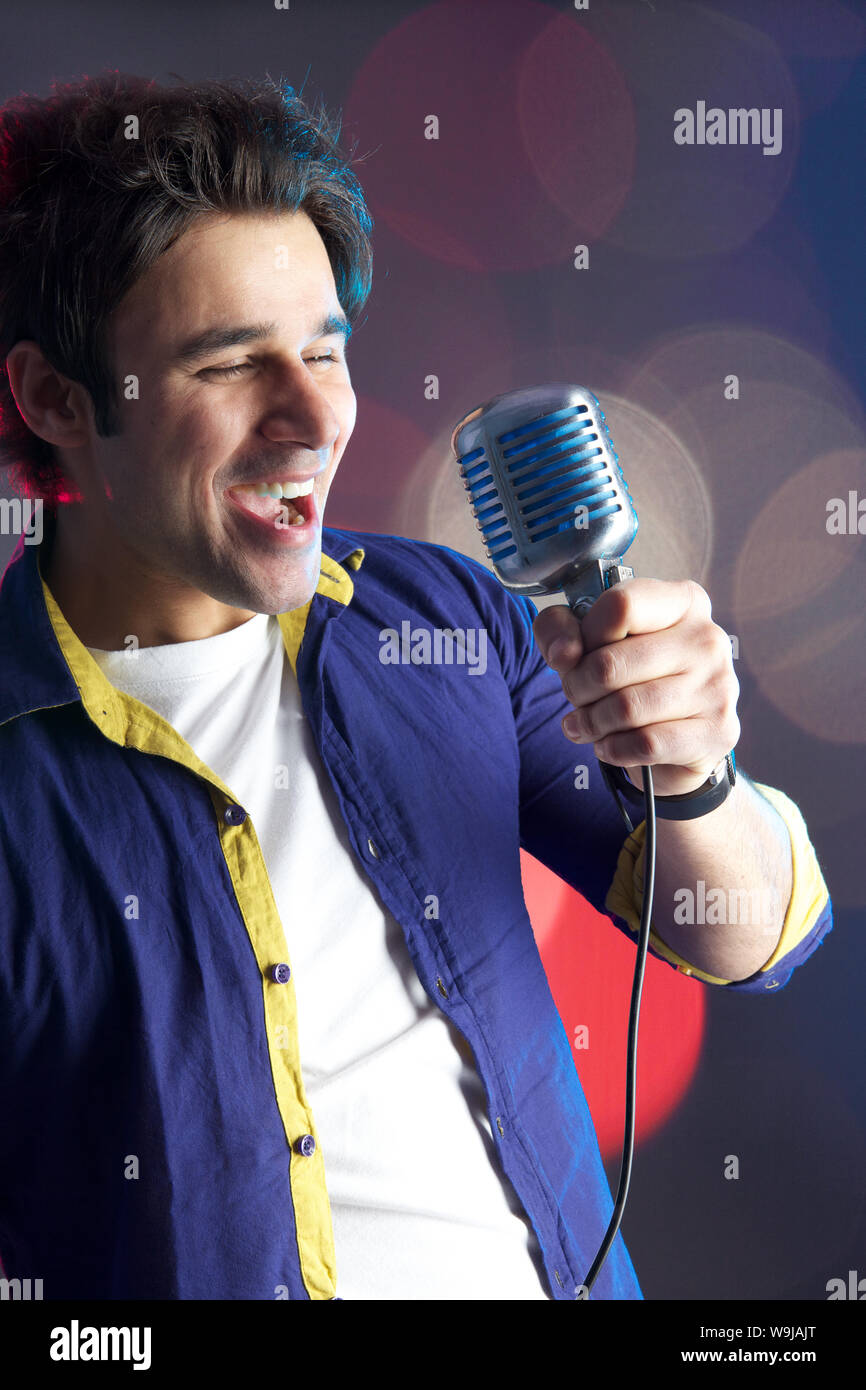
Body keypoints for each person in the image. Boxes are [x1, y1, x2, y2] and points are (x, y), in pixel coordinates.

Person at [0, 71, 832, 1301]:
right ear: (57, 399)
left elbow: (738, 942)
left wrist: (696, 778)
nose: (311, 417)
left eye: (324, 351)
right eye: (231, 365)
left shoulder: (444, 619)